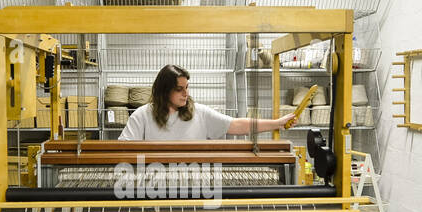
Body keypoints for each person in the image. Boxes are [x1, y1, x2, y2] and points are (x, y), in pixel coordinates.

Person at [119, 64, 294, 140]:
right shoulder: (142, 116)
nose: (186, 93)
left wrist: (278, 123)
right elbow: (122, 151)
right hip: (154, 186)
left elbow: (237, 125)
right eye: (179, 89)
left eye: (187, 87)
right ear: (164, 91)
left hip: (194, 185)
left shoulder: (199, 113)